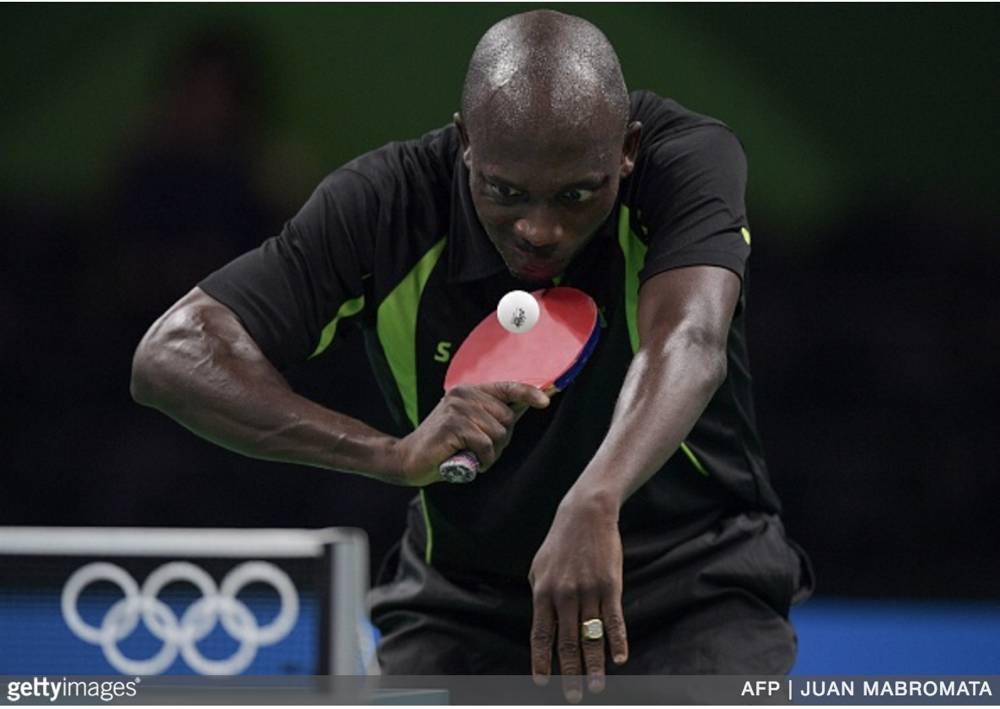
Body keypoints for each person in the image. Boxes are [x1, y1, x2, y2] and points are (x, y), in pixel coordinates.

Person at [131, 8, 812, 695]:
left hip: (692, 588)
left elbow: (690, 338)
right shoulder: (389, 205)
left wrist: (594, 499)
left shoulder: (685, 161)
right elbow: (173, 353)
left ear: (627, 149)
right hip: (465, 605)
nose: (540, 229)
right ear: (464, 144)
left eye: (577, 194)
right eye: (505, 192)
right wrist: (389, 455)